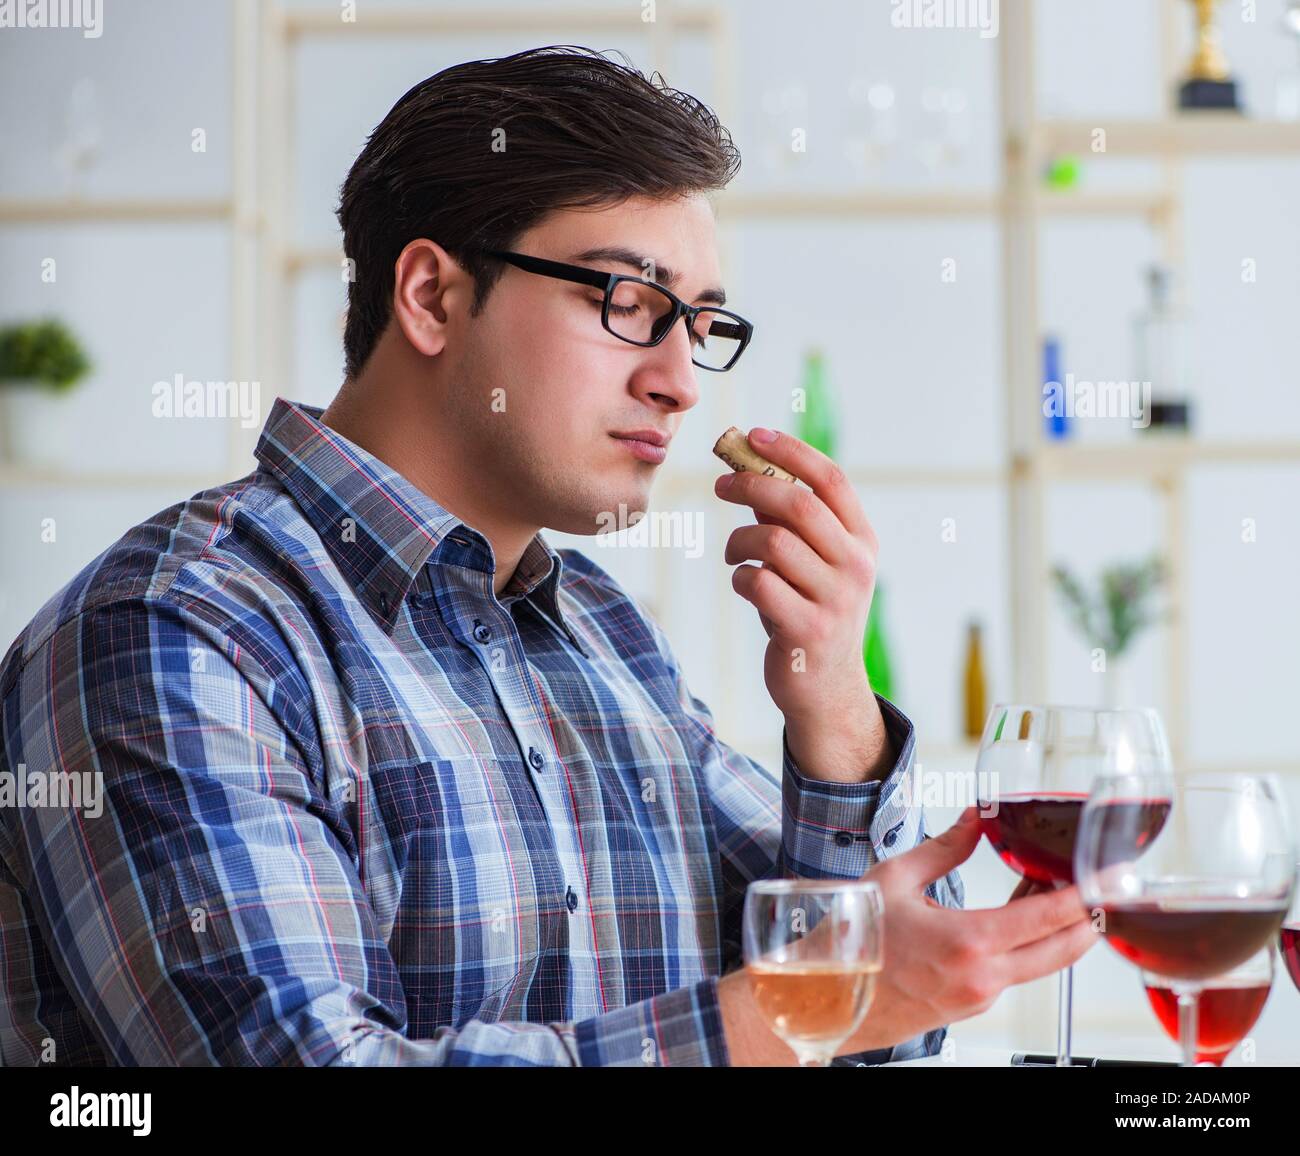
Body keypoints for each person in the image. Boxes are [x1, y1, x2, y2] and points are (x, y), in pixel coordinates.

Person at [0, 46, 1092, 1067]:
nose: (681, 378)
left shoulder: (603, 635)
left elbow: (885, 1032)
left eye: (699, 323)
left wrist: (837, 715)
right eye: (628, 301)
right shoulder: (177, 630)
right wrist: (801, 1007)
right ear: (432, 296)